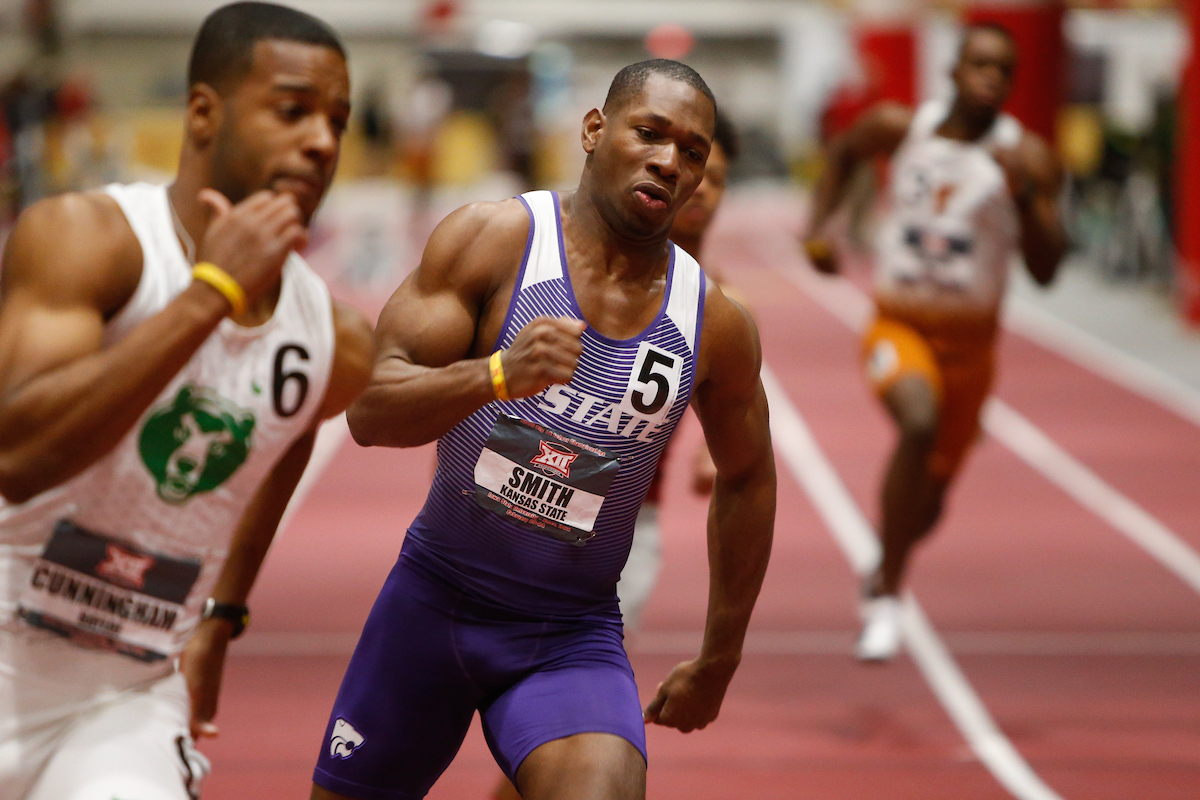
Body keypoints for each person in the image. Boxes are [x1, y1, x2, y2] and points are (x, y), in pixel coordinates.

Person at [313, 59, 775, 800]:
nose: (669, 159)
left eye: (692, 151)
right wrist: (496, 376)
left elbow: (749, 475)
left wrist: (720, 656)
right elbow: (370, 411)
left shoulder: (714, 322)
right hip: (431, 605)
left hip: (566, 636)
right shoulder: (492, 242)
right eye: (650, 133)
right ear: (594, 130)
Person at [0, 4, 373, 798]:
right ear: (203, 111)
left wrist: (223, 615)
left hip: (119, 700)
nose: (322, 141)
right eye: (292, 111)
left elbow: (294, 429)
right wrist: (209, 293)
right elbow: (17, 458)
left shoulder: (331, 340)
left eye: (336, 121)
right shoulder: (88, 238)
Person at [489, 108, 742, 800]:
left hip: (615, 538)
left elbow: (743, 447)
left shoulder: (713, 306)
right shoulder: (552, 252)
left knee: (566, 742)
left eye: (709, 171)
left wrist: (709, 457)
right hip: (495, 514)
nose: (692, 180)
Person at [801, 22, 1066, 661]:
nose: (989, 79)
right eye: (979, 65)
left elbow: (1048, 268)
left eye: (1003, 70)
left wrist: (1025, 196)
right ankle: (888, 593)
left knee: (928, 506)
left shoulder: (1028, 158)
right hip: (900, 323)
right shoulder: (902, 127)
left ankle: (888, 562)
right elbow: (843, 151)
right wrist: (819, 230)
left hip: (972, 346)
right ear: (953, 70)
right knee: (917, 423)